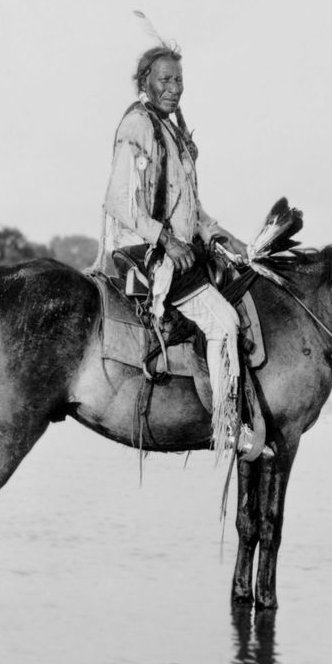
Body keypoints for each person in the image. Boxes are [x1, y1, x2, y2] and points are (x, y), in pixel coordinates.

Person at [95, 44, 255, 456]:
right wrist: (167, 240)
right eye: (165, 79)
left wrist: (220, 235)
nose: (174, 88)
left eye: (179, 80)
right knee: (224, 324)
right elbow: (120, 202)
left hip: (179, 250)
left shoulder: (171, 131)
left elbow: (189, 210)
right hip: (151, 253)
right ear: (144, 81)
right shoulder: (138, 126)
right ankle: (228, 428)